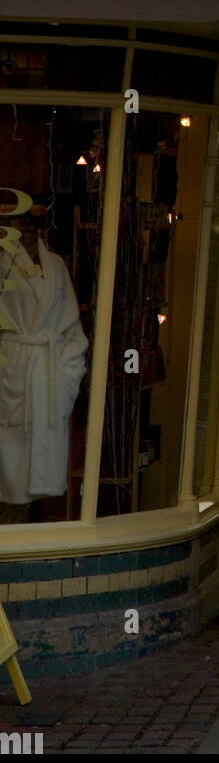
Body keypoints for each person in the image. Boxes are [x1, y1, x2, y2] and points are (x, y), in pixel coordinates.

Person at [0, 195, 88, 522]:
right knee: (8, 472)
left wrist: (66, 380)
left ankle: (19, 538)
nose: (26, 227)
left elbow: (71, 332)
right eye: (20, 220)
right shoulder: (2, 262)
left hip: (45, 379)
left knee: (30, 480)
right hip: (10, 374)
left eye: (34, 221)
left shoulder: (55, 265)